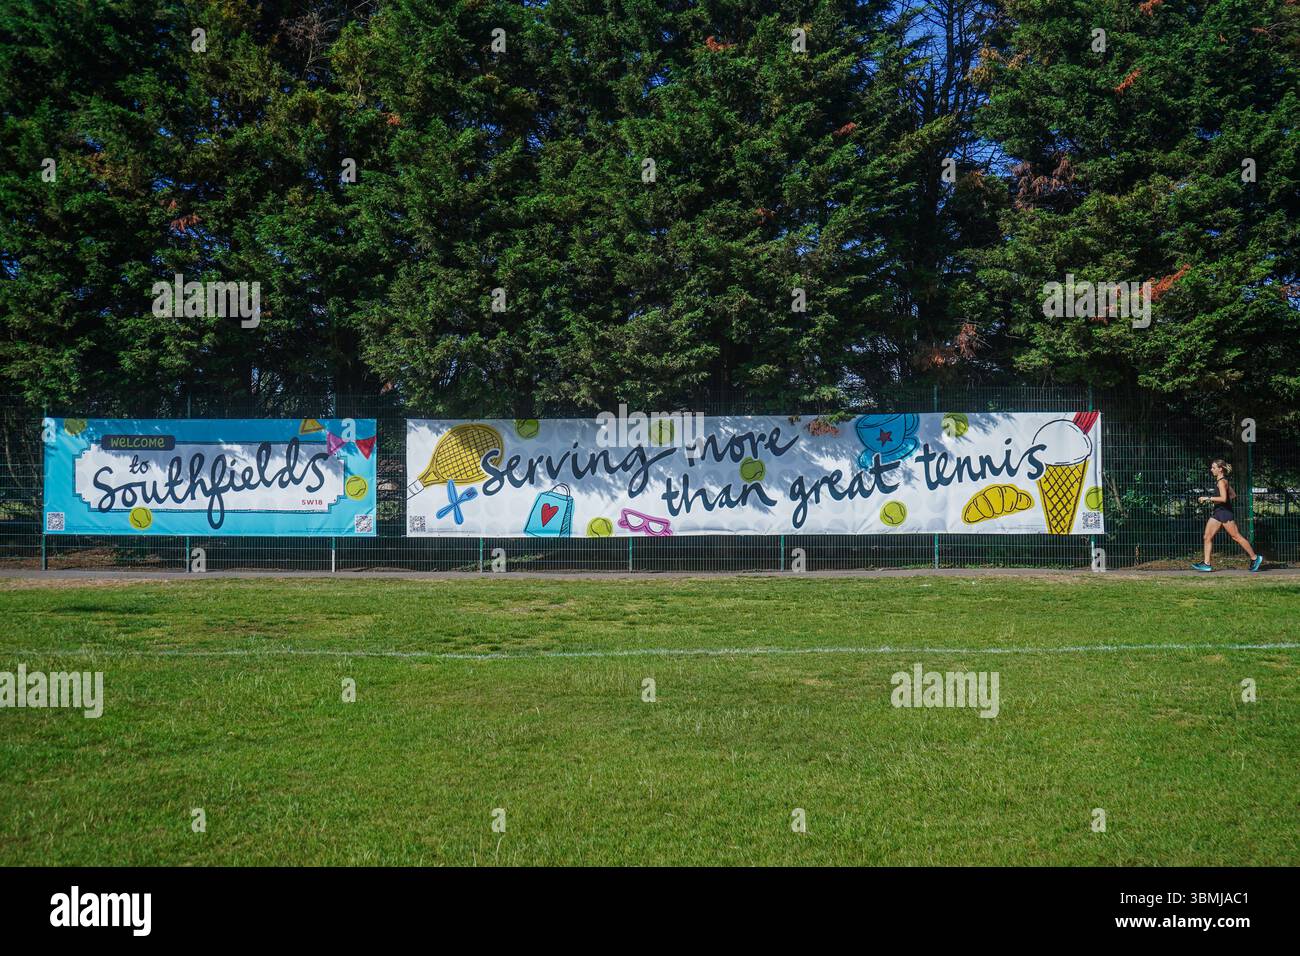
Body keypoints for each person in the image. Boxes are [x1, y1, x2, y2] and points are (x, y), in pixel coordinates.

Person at [1192, 459, 1263, 572]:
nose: (1211, 470)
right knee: (1207, 536)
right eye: (1212, 467)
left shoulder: (1221, 482)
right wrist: (1218, 501)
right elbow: (1233, 495)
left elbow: (1224, 498)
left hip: (1224, 513)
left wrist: (1208, 498)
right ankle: (1206, 564)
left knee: (1236, 536)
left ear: (1220, 469)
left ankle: (1255, 558)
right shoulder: (1223, 481)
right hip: (1218, 512)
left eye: (1213, 468)